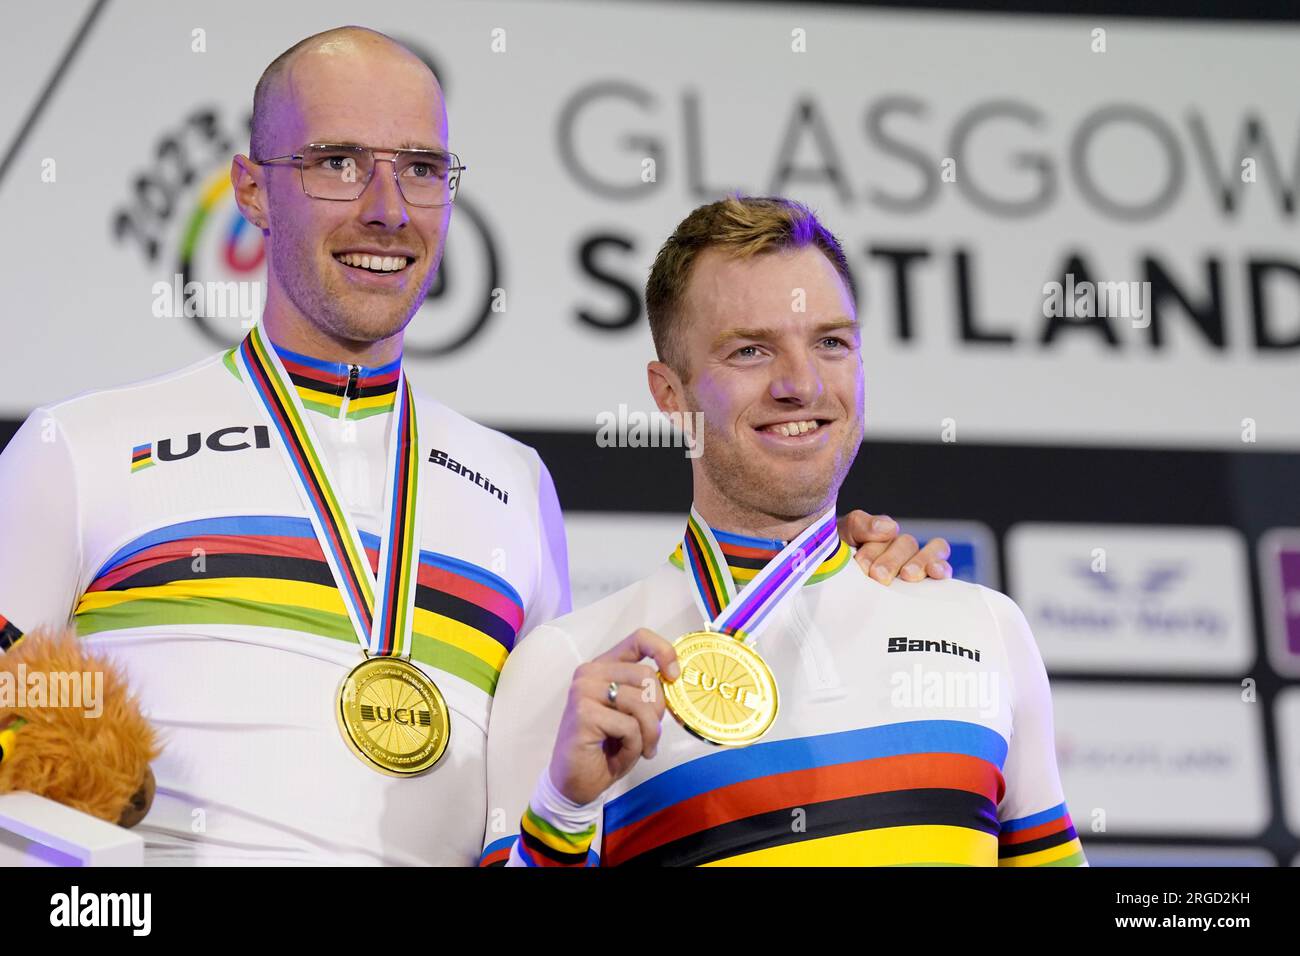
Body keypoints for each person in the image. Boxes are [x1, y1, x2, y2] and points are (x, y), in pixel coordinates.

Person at [0, 28, 948, 865]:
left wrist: (844, 582)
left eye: (420, 167)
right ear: (251, 188)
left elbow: (555, 799)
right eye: (338, 161)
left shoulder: (510, 485)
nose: (387, 207)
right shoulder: (82, 449)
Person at [482, 196, 1086, 867]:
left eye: (830, 342)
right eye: (750, 351)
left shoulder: (986, 628)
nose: (800, 384)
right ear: (669, 396)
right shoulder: (573, 668)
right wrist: (561, 814)